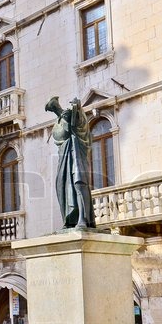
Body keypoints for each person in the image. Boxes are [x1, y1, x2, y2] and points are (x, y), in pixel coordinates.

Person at [45, 96, 95, 229]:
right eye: (52, 108)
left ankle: (83, 218)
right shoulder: (58, 121)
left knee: (79, 183)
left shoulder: (69, 114)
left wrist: (77, 109)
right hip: (64, 157)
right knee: (64, 187)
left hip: (76, 152)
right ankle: (69, 219)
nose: (55, 109)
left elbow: (79, 126)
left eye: (54, 106)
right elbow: (60, 138)